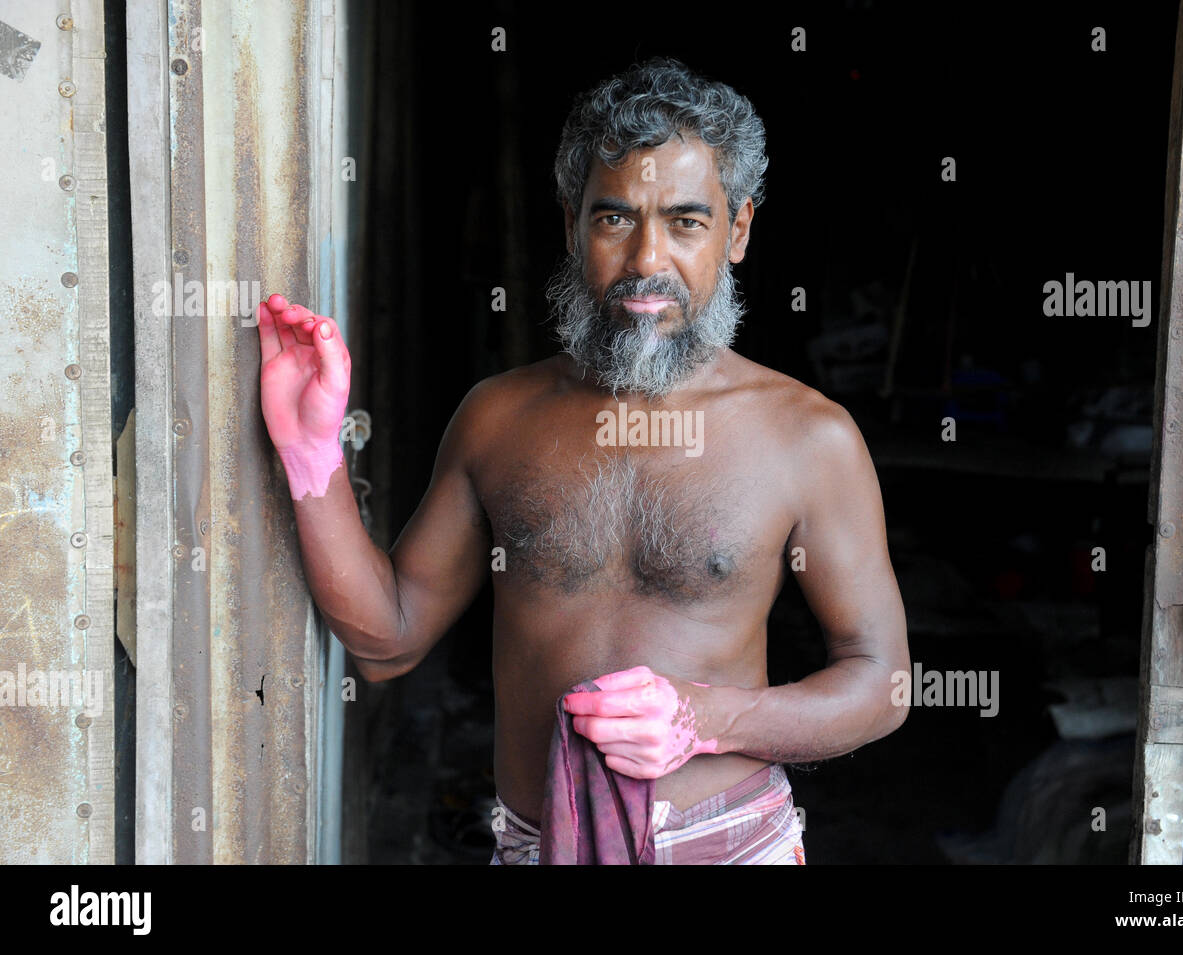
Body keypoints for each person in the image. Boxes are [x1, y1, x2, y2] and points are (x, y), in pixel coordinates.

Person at [256, 58, 909, 865]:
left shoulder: (810, 437)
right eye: (614, 220)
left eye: (685, 222)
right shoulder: (498, 420)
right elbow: (387, 643)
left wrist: (703, 718)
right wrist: (308, 448)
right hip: (540, 847)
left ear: (737, 231)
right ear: (571, 225)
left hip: (729, 847)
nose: (645, 260)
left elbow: (882, 682)